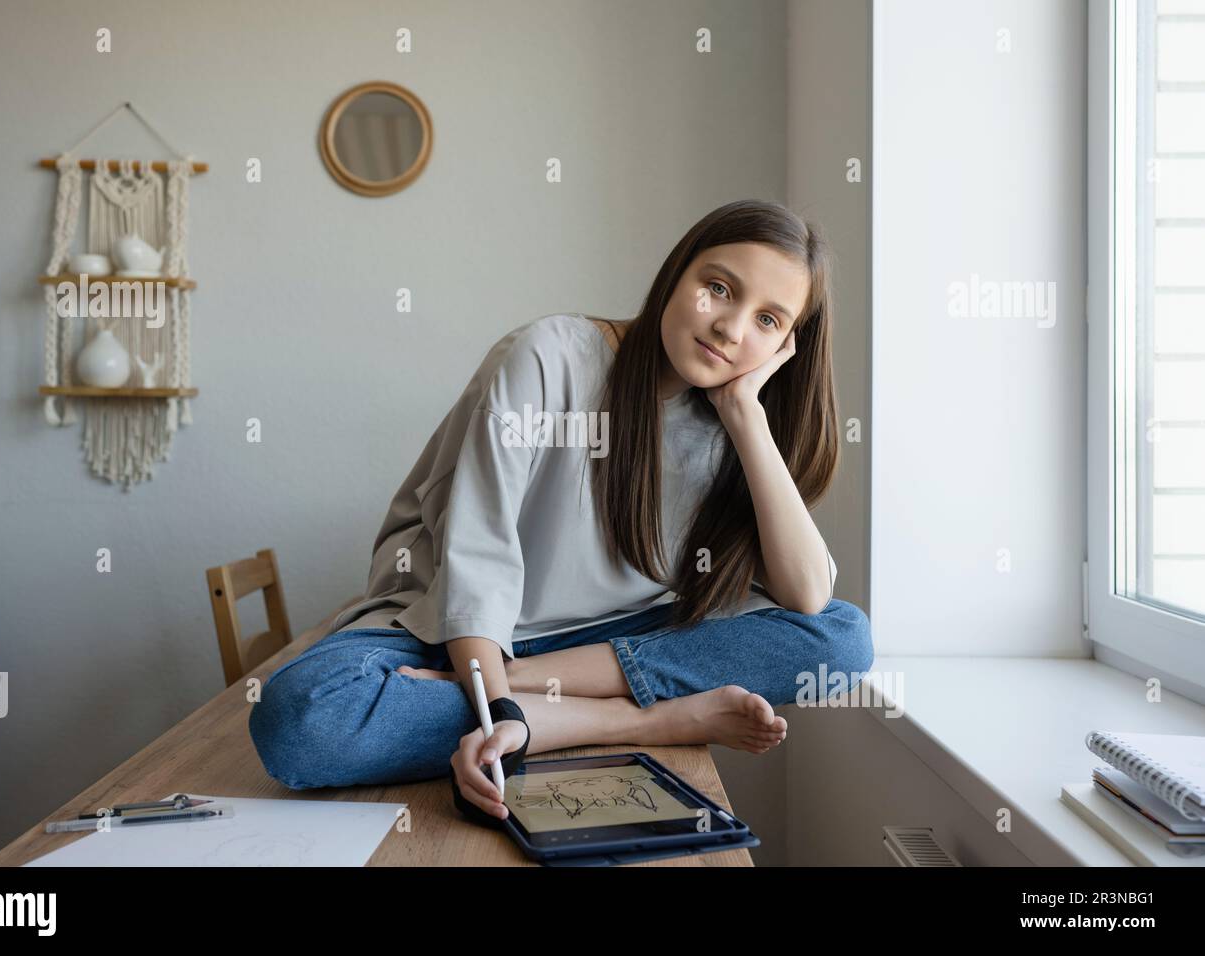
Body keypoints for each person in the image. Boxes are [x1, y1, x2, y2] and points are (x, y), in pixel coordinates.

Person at [248, 198, 874, 825]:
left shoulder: (737, 420)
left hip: (602, 649)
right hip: (446, 634)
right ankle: (642, 720)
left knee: (843, 641)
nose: (731, 329)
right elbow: (478, 558)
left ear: (789, 344)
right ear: (676, 273)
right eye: (717, 288)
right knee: (301, 720)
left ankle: (531, 696)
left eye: (767, 320)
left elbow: (808, 596)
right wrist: (506, 713)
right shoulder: (549, 355)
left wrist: (744, 412)